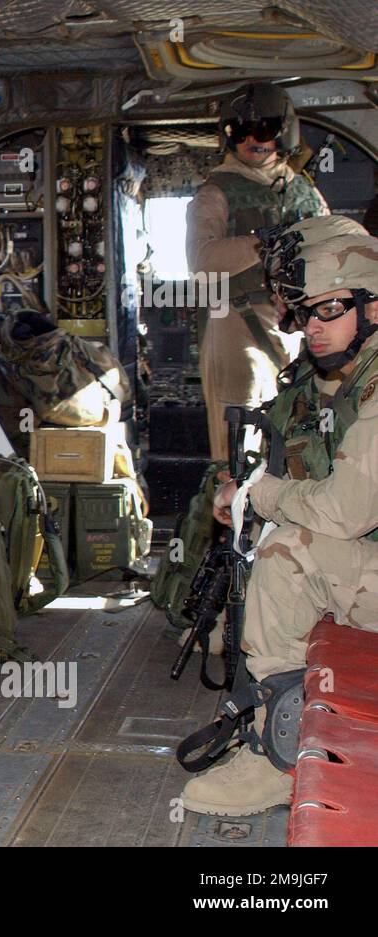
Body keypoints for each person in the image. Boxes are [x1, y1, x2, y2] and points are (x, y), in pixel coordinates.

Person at [180, 215, 378, 816]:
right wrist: (241, 490)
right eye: (303, 311)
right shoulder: (336, 376)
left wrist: (262, 498)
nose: (311, 327)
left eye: (330, 310)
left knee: (290, 555)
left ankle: (280, 757)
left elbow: (342, 511)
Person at [186, 81, 328, 464]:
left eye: (263, 129)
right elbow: (201, 260)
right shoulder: (216, 193)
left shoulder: (303, 192)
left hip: (298, 327)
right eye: (240, 131)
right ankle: (229, 507)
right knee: (240, 441)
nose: (252, 139)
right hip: (238, 323)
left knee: (299, 431)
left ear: (283, 133)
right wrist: (266, 243)